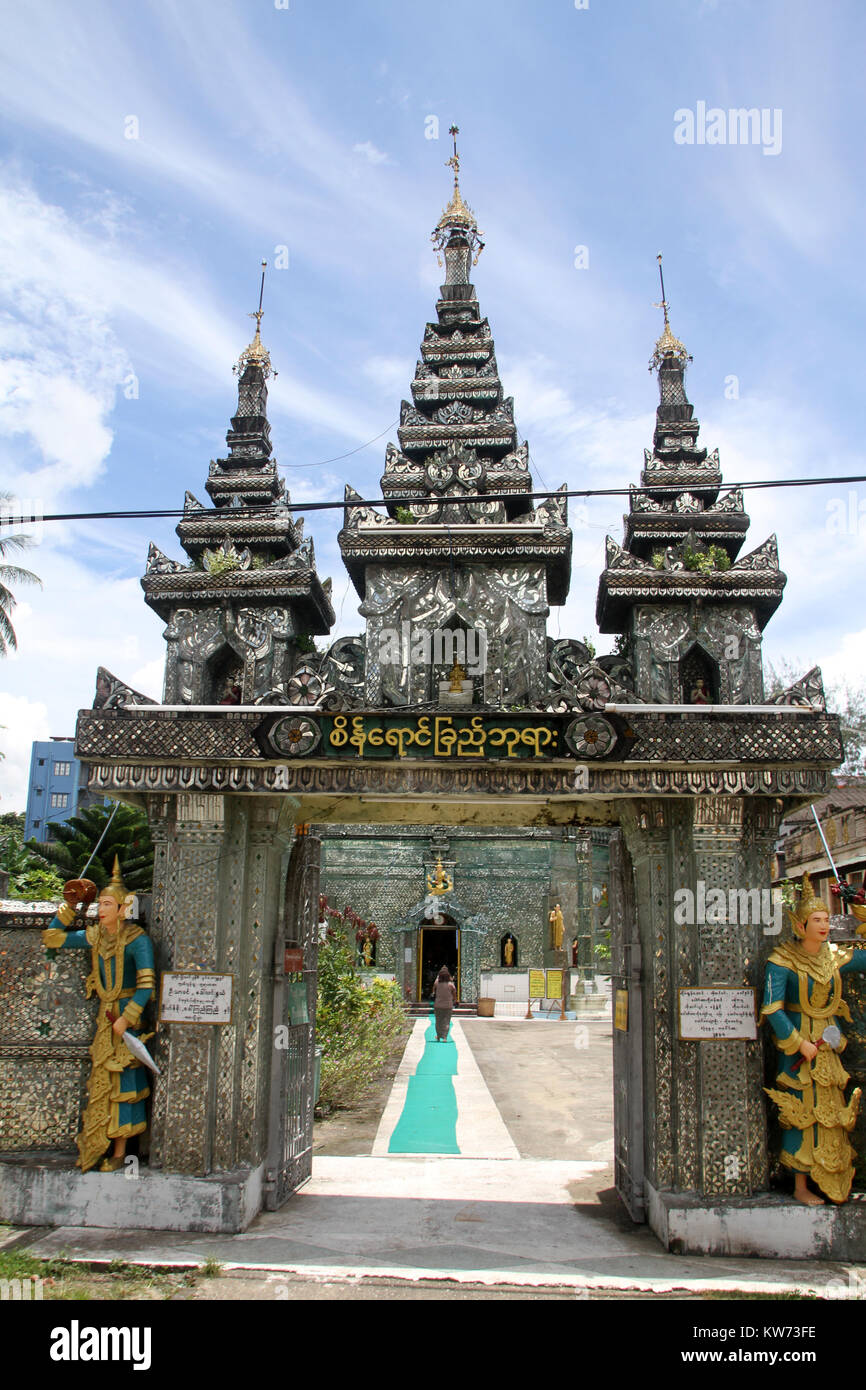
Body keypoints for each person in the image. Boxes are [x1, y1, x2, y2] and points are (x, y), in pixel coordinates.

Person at [42, 857, 157, 1173]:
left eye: (108, 904)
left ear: (123, 908)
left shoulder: (137, 940)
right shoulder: (95, 937)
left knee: (124, 1087)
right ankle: (95, 1147)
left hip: (125, 1021)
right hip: (104, 1017)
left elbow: (147, 983)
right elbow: (52, 939)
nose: (101, 909)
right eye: (100, 904)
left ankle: (121, 1152)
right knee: (100, 1083)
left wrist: (127, 1017)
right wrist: (67, 912)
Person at [761, 871, 866, 1204]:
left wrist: (862, 915)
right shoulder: (783, 960)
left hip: (828, 1047)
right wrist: (798, 1042)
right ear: (800, 924)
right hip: (799, 1048)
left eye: (825, 919)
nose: (822, 926)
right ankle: (801, 1186)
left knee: (832, 1113)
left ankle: (833, 1175)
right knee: (802, 1117)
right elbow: (772, 1008)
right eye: (815, 920)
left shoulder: (833, 956)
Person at [433, 966, 457, 1042]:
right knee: (447, 1021)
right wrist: (455, 1000)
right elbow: (454, 994)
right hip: (448, 1005)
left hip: (438, 1005)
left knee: (438, 1021)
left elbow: (433, 989)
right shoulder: (451, 985)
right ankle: (445, 1037)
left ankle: (438, 1036)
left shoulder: (437, 983)